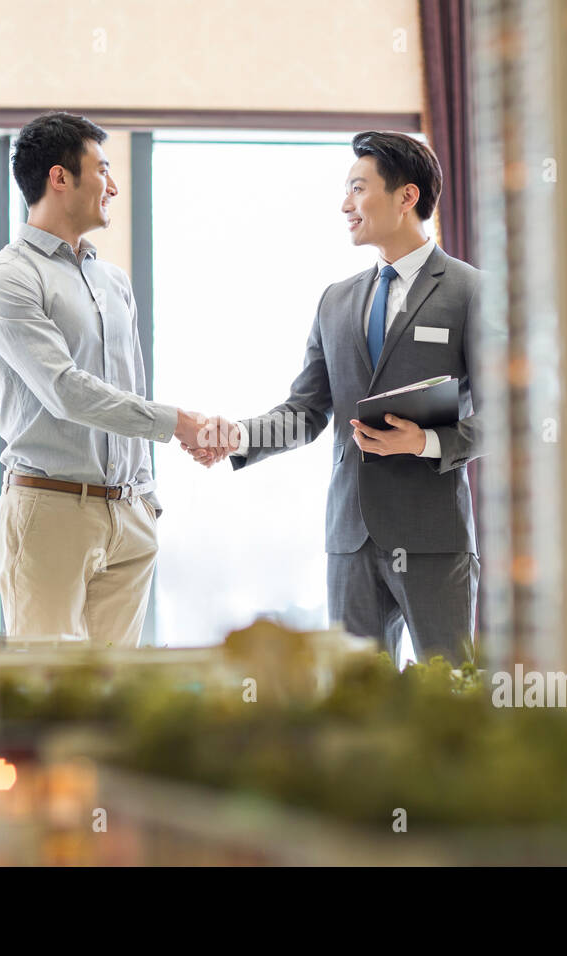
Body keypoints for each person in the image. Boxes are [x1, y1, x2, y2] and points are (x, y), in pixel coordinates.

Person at [189, 131, 487, 665]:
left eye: (357, 188)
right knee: (353, 703)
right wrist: (240, 435)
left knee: (453, 694)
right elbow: (306, 412)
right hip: (349, 540)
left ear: (406, 197)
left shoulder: (471, 292)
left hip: (433, 542)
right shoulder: (336, 300)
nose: (345, 205)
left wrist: (425, 441)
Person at [0, 111, 232, 646]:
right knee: (47, 693)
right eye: (103, 170)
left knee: (117, 698)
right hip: (50, 513)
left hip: (129, 515)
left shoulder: (113, 282)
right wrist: (178, 423)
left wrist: (147, 501)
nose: (113, 186)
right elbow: (66, 392)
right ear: (59, 178)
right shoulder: (5, 282)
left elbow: (127, 391)